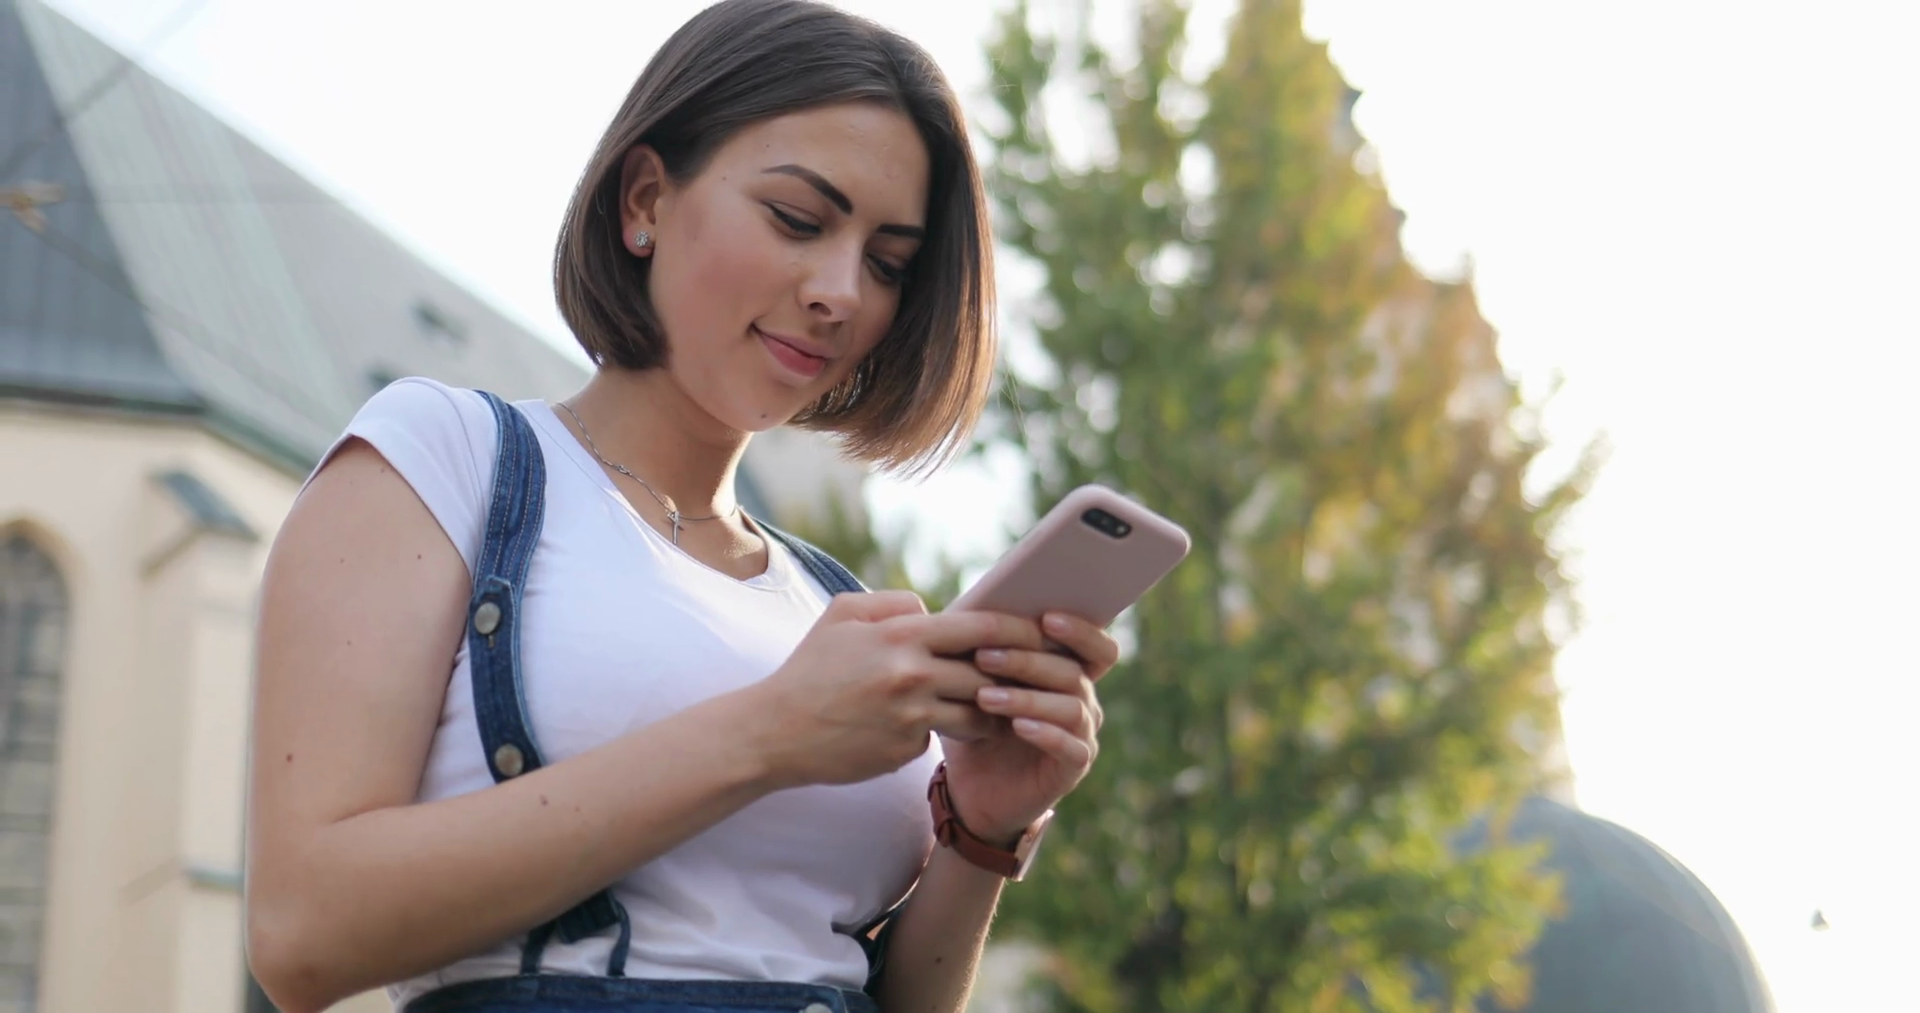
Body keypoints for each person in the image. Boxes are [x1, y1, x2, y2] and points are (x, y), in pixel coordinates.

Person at [243, 2, 1116, 1012]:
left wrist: (983, 828)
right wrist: (771, 731)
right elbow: (301, 930)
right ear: (646, 199)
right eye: (798, 219)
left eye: (888, 263)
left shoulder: (825, 598)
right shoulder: (447, 457)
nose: (841, 292)